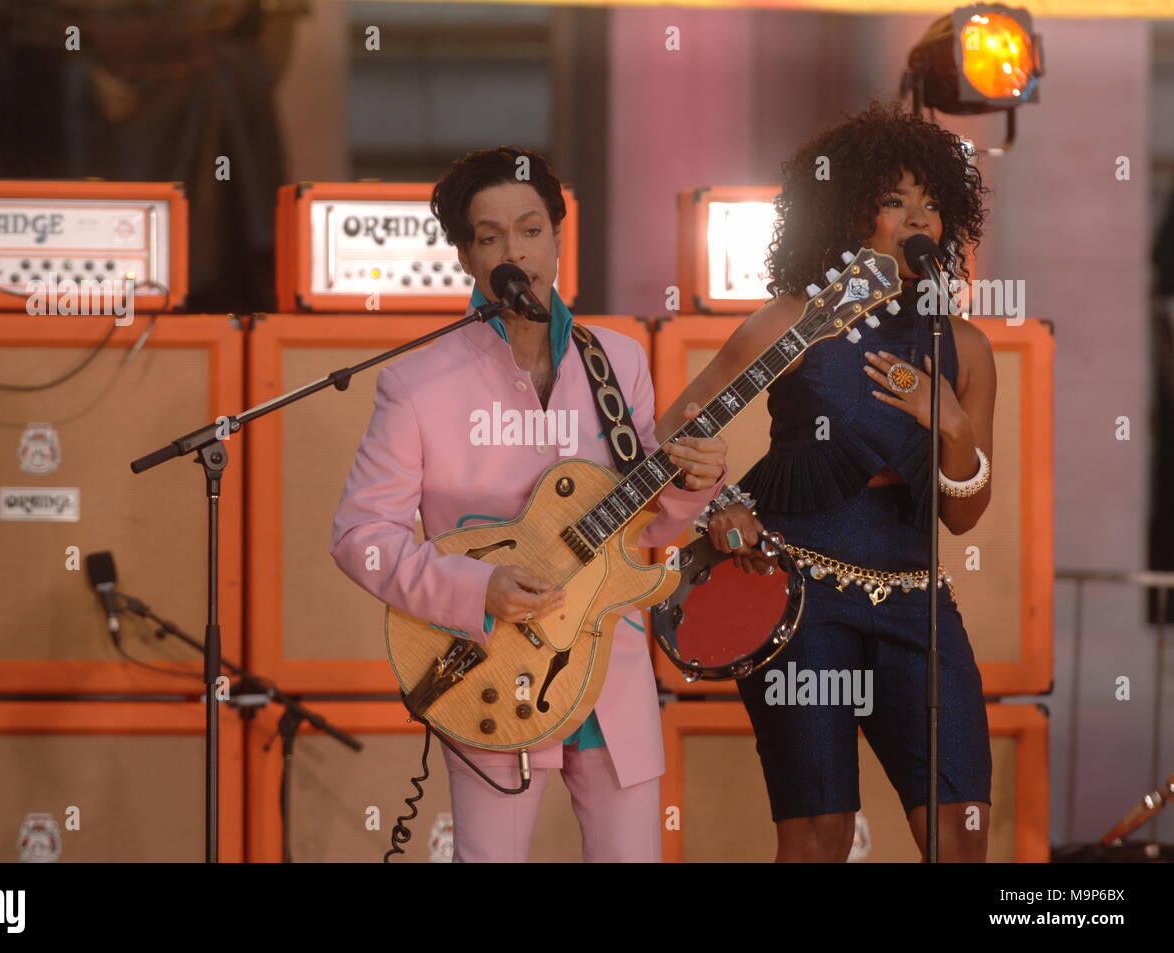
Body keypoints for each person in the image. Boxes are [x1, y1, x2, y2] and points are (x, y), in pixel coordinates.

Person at [331, 146, 727, 862]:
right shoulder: (417, 381)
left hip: (613, 671)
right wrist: (477, 587)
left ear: (558, 237)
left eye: (532, 228)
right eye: (490, 237)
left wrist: (692, 483)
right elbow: (361, 534)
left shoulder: (619, 359)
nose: (517, 251)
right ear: (464, 256)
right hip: (487, 668)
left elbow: (648, 525)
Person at [664, 101, 996, 861]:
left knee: (961, 829)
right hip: (799, 592)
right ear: (851, 214)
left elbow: (967, 518)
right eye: (894, 201)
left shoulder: (968, 347)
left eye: (933, 205)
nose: (919, 220)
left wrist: (953, 427)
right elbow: (676, 425)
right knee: (819, 835)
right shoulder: (793, 321)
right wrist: (720, 507)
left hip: (918, 599)